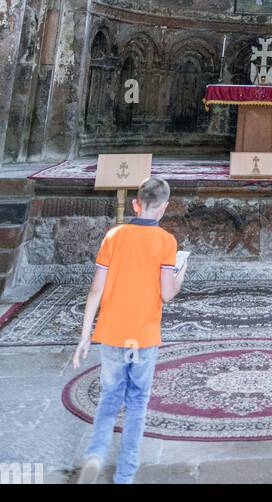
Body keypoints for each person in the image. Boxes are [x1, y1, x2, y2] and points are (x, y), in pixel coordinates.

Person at [72, 176, 189, 483]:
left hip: (111, 331)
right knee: (137, 402)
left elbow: (95, 290)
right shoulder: (166, 241)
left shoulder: (114, 236)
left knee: (110, 395)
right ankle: (124, 474)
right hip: (145, 334)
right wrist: (180, 273)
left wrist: (85, 335)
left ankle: (95, 454)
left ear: (136, 203)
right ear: (164, 208)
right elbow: (167, 293)